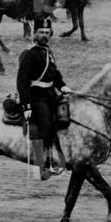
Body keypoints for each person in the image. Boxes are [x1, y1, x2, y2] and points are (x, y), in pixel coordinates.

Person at [16, 17, 69, 180]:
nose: (45, 35)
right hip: (36, 97)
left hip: (51, 95)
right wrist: (26, 106)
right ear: (35, 33)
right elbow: (22, 81)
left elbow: (54, 74)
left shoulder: (48, 52)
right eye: (41, 32)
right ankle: (42, 165)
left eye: (47, 32)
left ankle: (60, 160)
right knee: (45, 126)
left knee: (64, 120)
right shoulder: (30, 54)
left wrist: (62, 86)